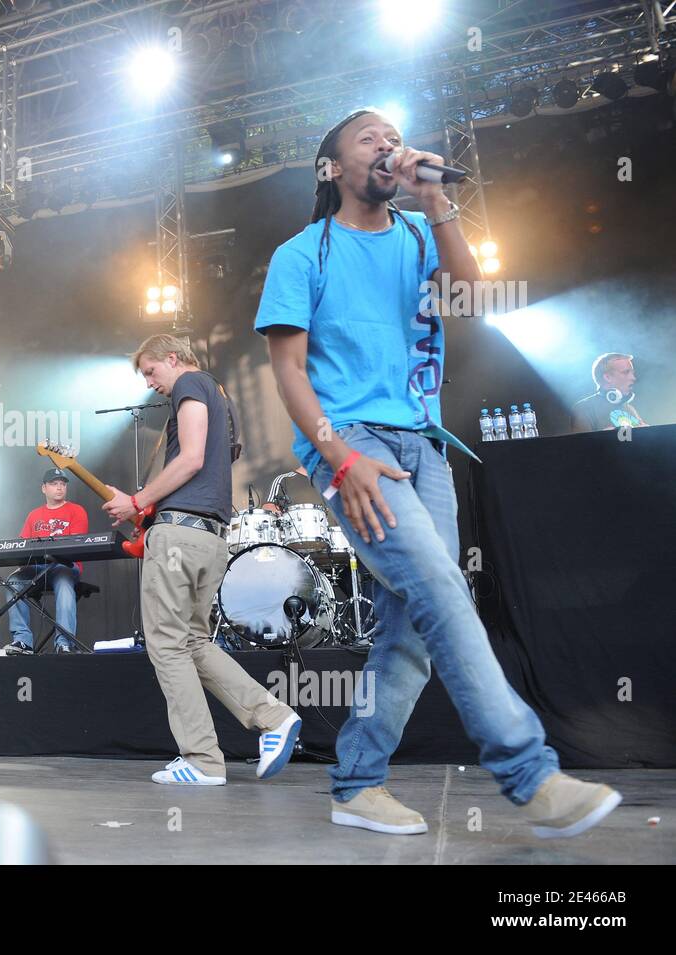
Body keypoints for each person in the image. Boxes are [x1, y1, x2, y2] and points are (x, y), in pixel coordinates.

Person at [255, 107, 620, 837]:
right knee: (438, 585)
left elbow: (474, 297)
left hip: (424, 442)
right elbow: (288, 370)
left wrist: (438, 200)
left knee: (414, 622)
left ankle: (357, 783)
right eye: (369, 138)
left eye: (394, 136)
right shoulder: (302, 254)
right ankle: (529, 772)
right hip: (352, 441)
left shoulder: (420, 234)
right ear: (331, 168)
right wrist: (339, 455)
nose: (388, 145)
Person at [104, 334, 301, 786]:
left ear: (172, 359)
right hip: (211, 537)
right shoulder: (223, 400)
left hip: (179, 536)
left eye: (151, 371)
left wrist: (138, 500)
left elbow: (191, 460)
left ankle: (202, 760)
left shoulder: (191, 385)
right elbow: (210, 464)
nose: (150, 383)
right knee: (192, 642)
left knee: (168, 646)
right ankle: (273, 718)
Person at [4, 468, 88, 655]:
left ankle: (64, 643)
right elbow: (23, 546)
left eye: (63, 484)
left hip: (63, 565)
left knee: (65, 581)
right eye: (54, 484)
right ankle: (23, 641)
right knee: (13, 582)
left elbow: (73, 546)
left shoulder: (76, 511)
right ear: (44, 488)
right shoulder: (34, 515)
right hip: (37, 568)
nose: (59, 488)